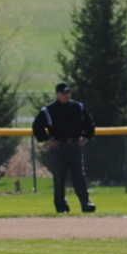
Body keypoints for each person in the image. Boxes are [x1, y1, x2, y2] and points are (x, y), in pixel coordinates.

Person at [32, 82, 96, 214]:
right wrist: (47, 139)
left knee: (79, 176)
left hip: (75, 145)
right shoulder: (49, 110)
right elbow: (37, 126)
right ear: (57, 94)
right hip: (59, 147)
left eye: (68, 92)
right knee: (60, 177)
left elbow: (89, 123)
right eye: (63, 93)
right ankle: (61, 206)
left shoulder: (78, 107)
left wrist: (87, 137)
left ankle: (86, 203)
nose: (66, 95)